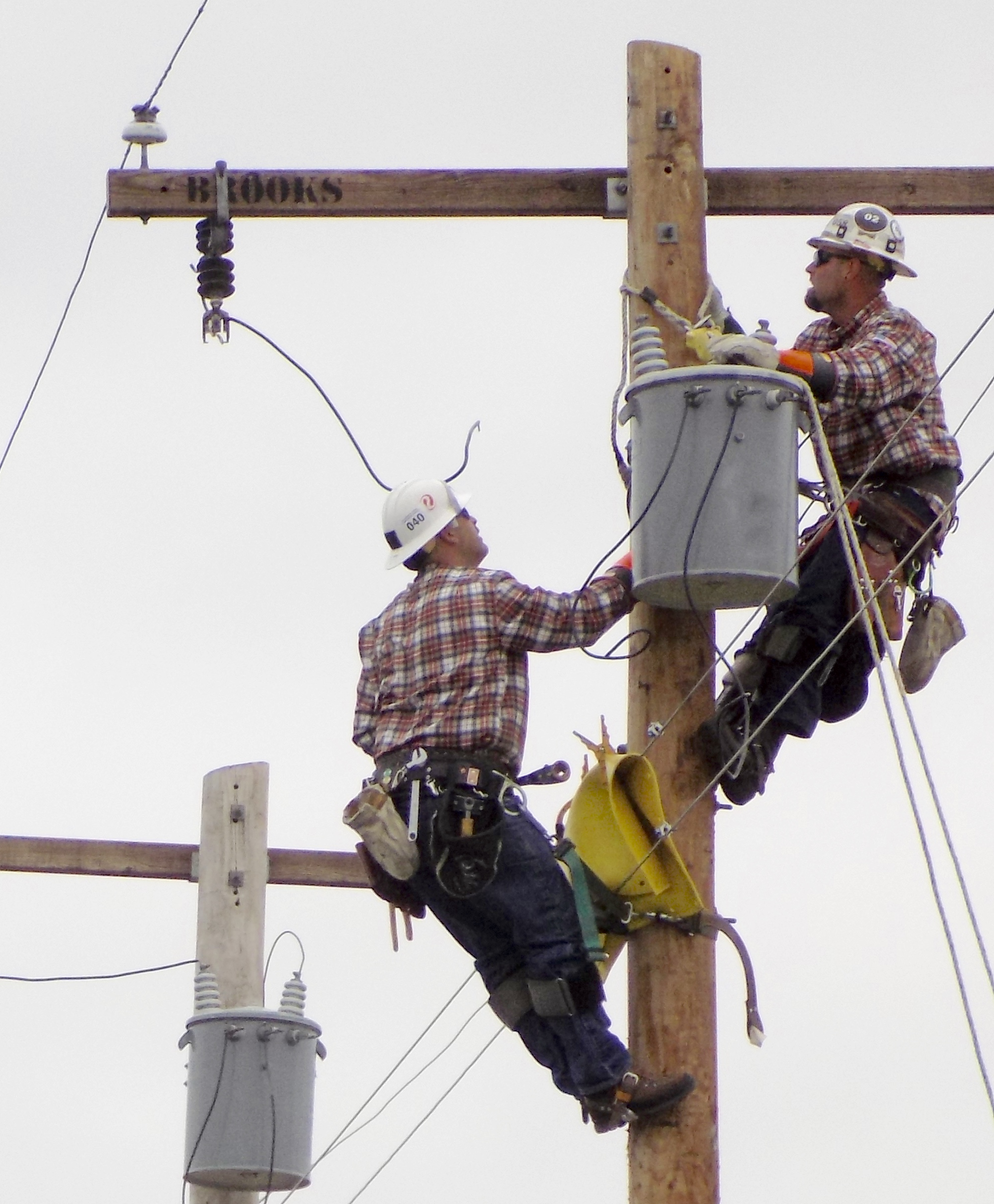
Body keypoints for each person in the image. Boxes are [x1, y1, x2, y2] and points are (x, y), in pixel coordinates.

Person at [351, 483, 694, 1134]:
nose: (476, 524)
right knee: (552, 928)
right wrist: (634, 564)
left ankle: (591, 1085)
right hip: (470, 804)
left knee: (506, 960)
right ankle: (604, 1076)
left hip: (402, 826)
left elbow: (366, 732)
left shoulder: (379, 631)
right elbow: (576, 618)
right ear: (445, 533)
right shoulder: (484, 591)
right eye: (466, 516)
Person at [698, 206, 963, 801]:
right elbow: (779, 393)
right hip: (855, 502)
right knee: (802, 601)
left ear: (857, 268)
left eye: (822, 257)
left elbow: (855, 378)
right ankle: (799, 691)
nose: (810, 267)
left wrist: (775, 362)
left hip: (910, 494)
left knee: (817, 595)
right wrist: (726, 334)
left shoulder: (903, 335)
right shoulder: (815, 338)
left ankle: (762, 735)